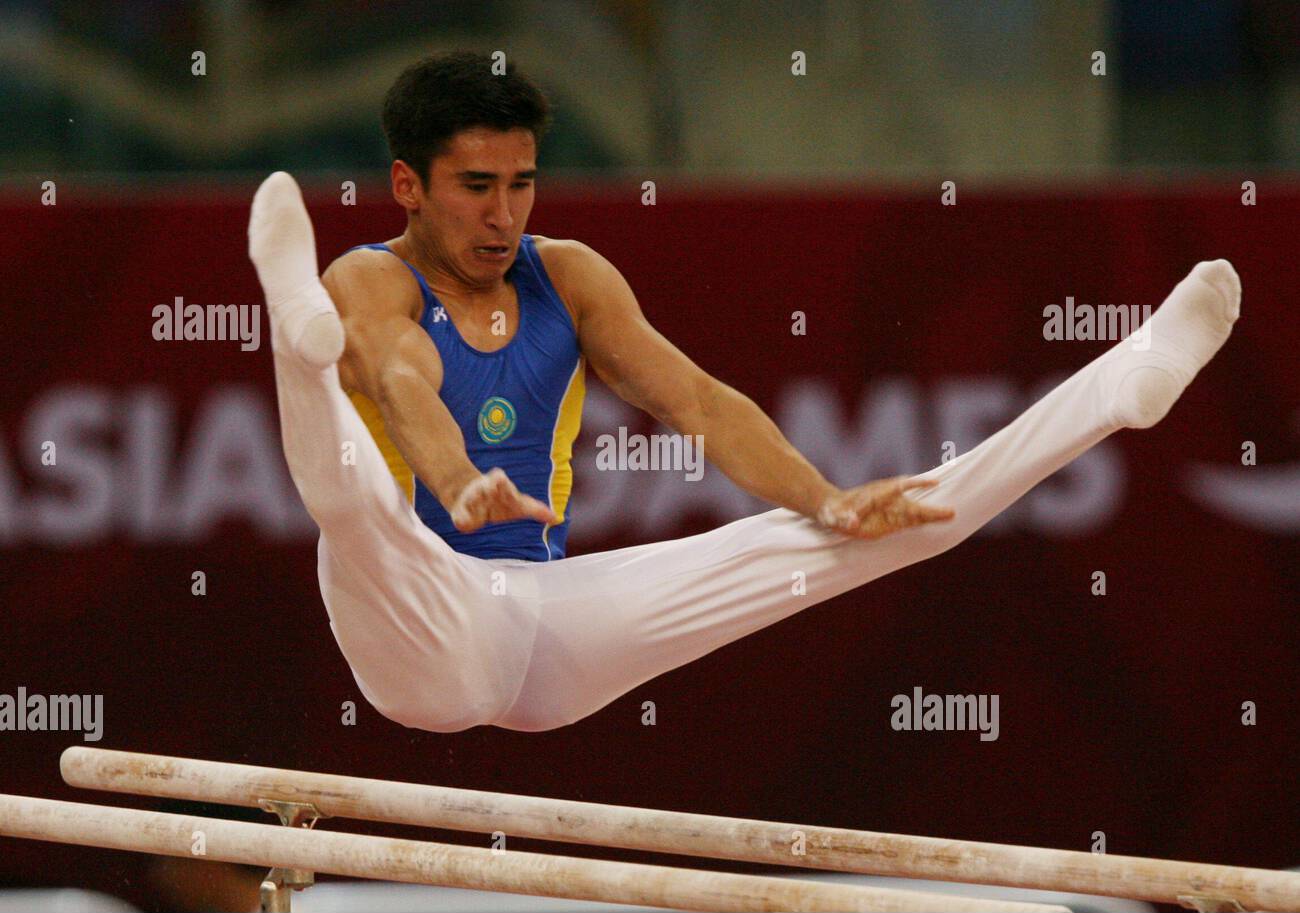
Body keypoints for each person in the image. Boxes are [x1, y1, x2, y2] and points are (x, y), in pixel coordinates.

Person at [248, 52, 1240, 733]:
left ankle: (1120, 379)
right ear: (408, 186)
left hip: (545, 620)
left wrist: (825, 500)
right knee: (355, 506)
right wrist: (459, 481)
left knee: (899, 522)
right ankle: (291, 328)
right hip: (414, 617)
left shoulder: (572, 278)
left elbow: (704, 407)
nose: (504, 213)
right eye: (475, 185)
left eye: (522, 183)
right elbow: (404, 378)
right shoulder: (372, 286)